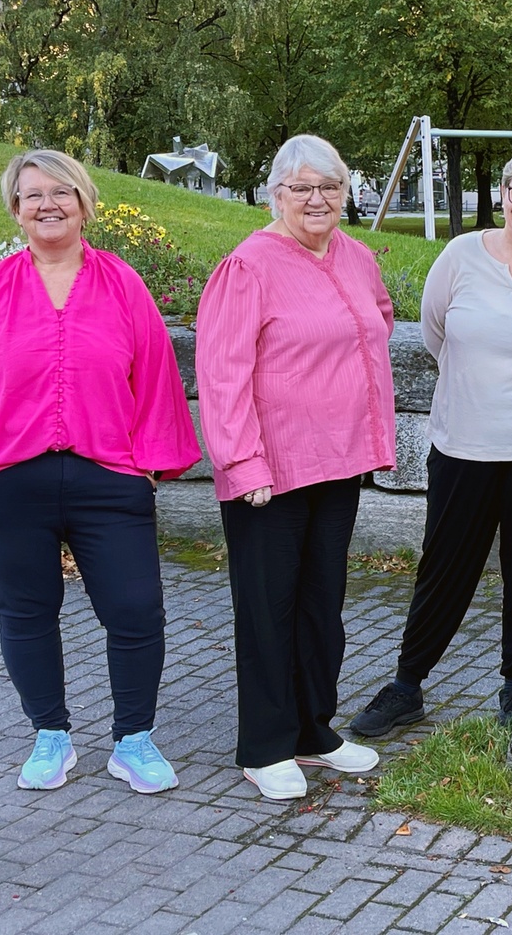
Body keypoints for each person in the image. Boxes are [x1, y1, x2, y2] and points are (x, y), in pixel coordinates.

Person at [0, 150, 201, 795]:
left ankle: (134, 739)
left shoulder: (122, 282)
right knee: (26, 610)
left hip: (109, 475)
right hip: (8, 478)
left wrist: (148, 466)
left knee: (135, 609)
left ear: (84, 202)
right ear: (16, 209)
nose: (48, 205)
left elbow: (153, 374)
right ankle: (51, 734)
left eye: (61, 193)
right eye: (33, 195)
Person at [196, 134, 397, 801]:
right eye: (301, 188)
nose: (317, 199)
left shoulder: (357, 256)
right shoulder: (249, 267)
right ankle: (263, 745)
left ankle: (314, 732)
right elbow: (222, 374)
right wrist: (244, 462)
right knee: (267, 608)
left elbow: (379, 323)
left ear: (345, 192)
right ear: (275, 195)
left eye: (329, 187)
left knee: (320, 607)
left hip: (339, 460)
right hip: (269, 472)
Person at [349, 148, 512, 738]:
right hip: (462, 445)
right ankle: (407, 685)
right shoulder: (461, 255)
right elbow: (434, 331)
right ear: (503, 194)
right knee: (444, 569)